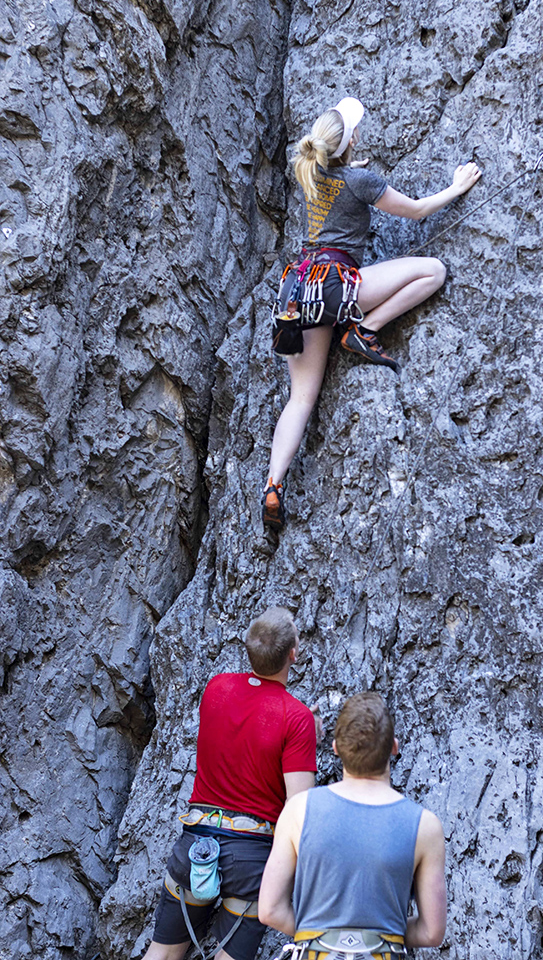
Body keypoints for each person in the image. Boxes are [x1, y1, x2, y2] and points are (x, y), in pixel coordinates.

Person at [262, 96, 482, 530]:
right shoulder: (360, 180)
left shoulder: (310, 171)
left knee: (301, 398)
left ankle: (273, 486)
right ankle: (365, 329)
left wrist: (347, 166)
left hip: (299, 293)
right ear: (349, 142)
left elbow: (336, 181)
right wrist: (457, 187)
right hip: (338, 286)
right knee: (433, 271)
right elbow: (416, 211)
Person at [142, 607, 321, 960]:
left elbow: (246, 726)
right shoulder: (296, 718)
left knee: (160, 955)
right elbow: (301, 809)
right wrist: (303, 735)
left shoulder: (217, 688)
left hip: (195, 845)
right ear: (293, 654)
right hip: (250, 860)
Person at [258, 692, 447, 959]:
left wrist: (317, 936)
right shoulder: (425, 825)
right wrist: (380, 936)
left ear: (335, 748)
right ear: (393, 747)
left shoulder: (298, 810)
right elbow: (431, 932)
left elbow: (269, 910)